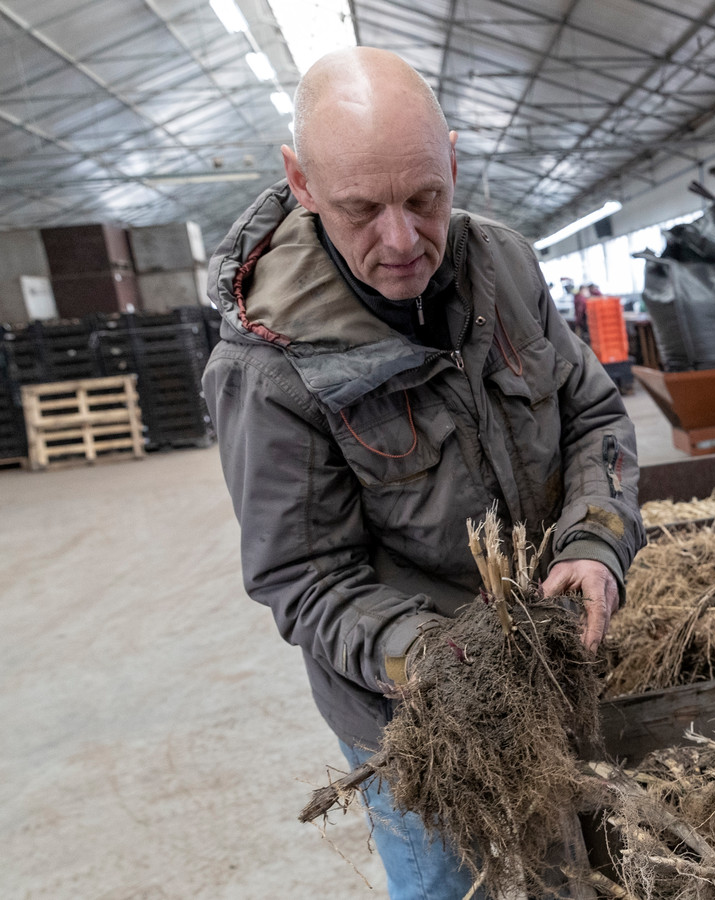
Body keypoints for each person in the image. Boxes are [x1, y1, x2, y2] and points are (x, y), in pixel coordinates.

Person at [201, 46, 645, 899]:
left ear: (453, 160)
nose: (403, 240)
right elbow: (303, 577)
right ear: (300, 182)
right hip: (411, 717)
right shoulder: (269, 369)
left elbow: (593, 418)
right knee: (449, 884)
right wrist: (430, 658)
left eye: (424, 198)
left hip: (553, 668)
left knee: (580, 870)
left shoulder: (504, 267)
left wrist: (596, 541)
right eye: (361, 209)